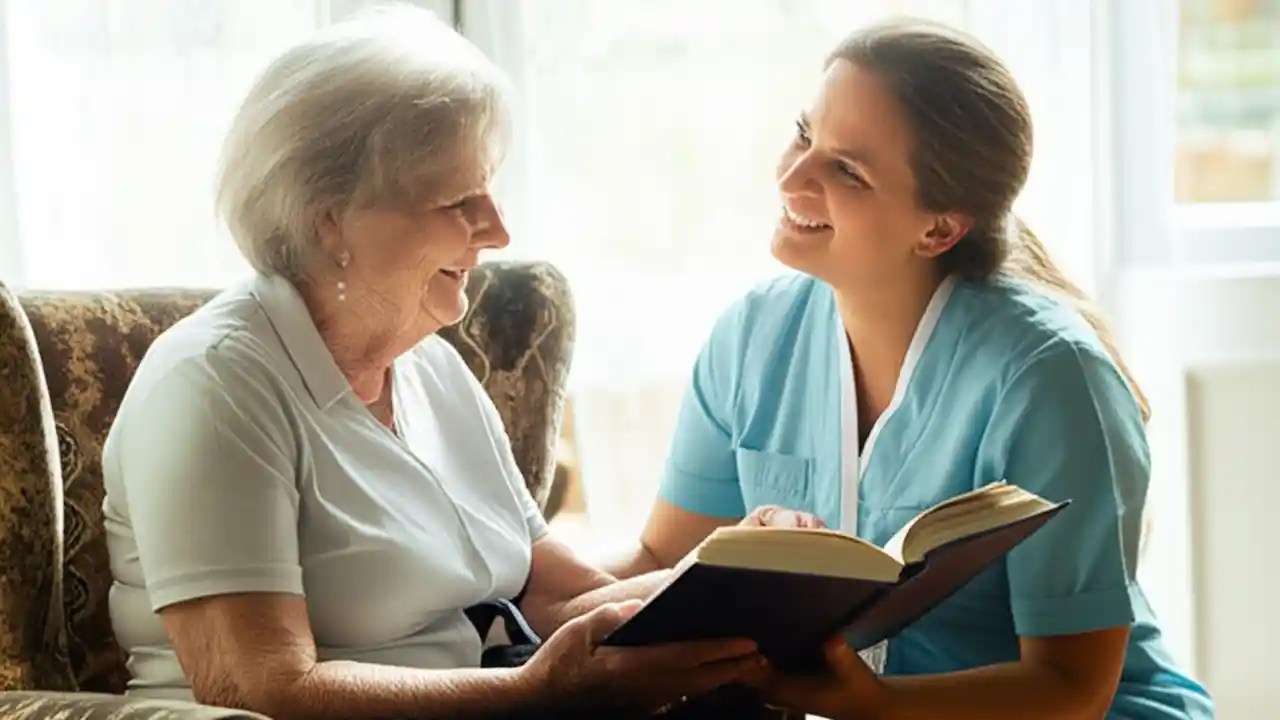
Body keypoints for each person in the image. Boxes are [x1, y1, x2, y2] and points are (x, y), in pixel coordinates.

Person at [100, 6, 764, 718]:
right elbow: (261, 685)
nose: (498, 231)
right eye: (459, 201)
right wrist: (532, 693)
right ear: (331, 221)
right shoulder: (214, 383)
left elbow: (552, 593)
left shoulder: (431, 370)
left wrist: (728, 575)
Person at [608, 18, 1214, 720]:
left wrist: (869, 704)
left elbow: (1072, 689)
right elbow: (663, 559)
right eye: (804, 134)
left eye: (847, 170)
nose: (793, 175)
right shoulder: (749, 338)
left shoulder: (1051, 378)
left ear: (939, 228)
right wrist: (522, 616)